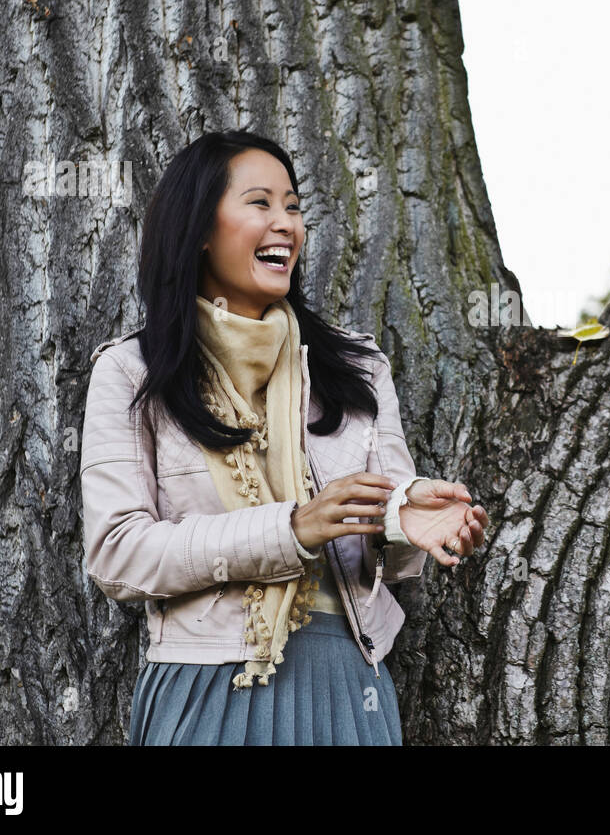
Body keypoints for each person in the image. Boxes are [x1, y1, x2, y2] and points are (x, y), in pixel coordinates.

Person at [79, 129, 488, 745]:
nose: (286, 225)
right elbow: (118, 553)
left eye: (294, 208)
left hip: (347, 682)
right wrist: (290, 529)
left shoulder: (356, 368)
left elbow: (388, 526)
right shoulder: (132, 371)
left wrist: (406, 521)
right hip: (206, 685)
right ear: (200, 228)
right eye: (260, 203)